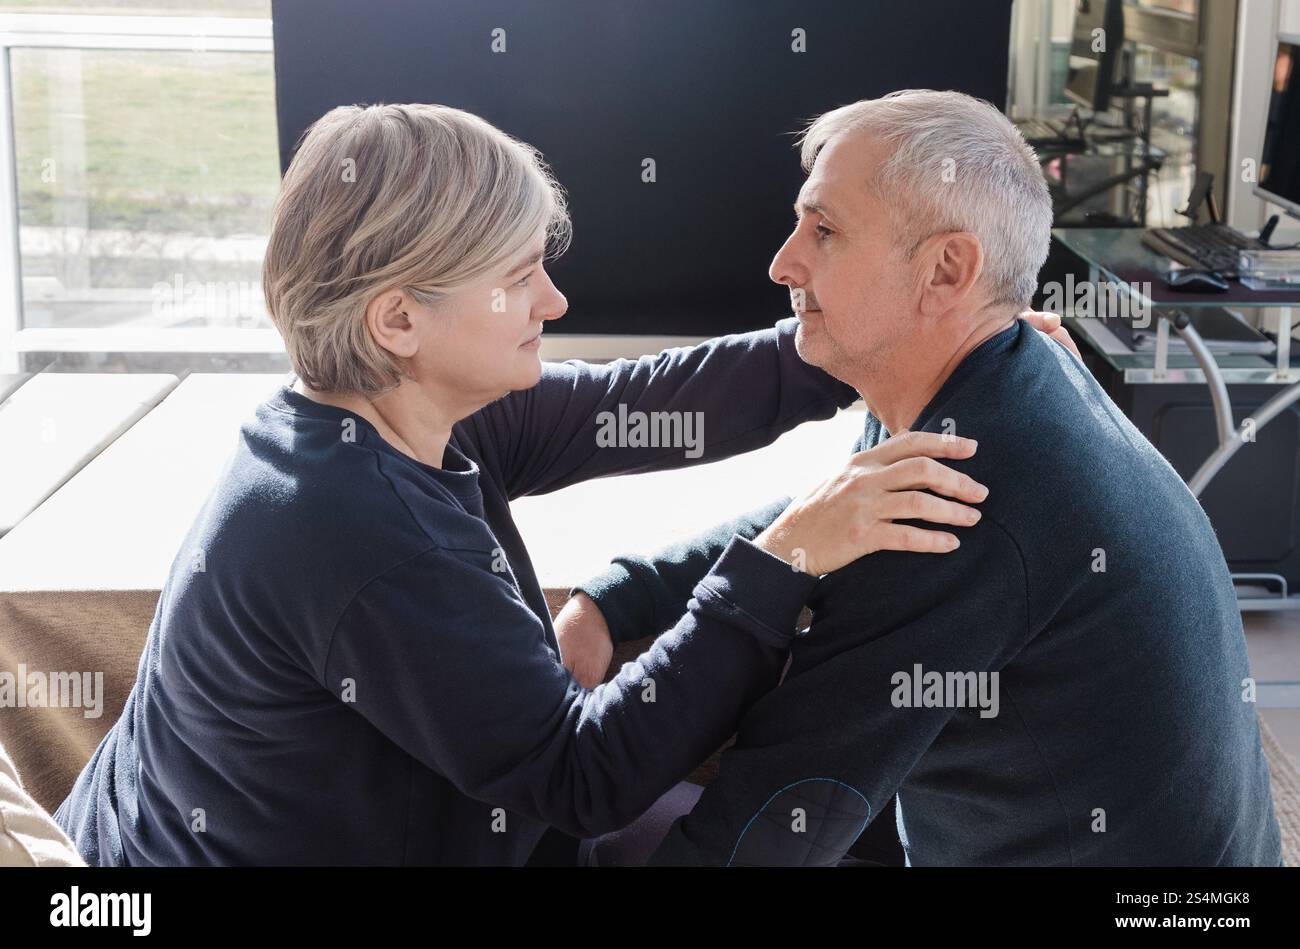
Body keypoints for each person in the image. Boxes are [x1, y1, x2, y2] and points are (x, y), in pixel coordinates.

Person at [53, 102, 1003, 865]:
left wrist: (896, 331)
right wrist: (783, 558)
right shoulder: (362, 533)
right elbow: (585, 778)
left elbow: (659, 401)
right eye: (519, 278)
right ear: (398, 320)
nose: (552, 302)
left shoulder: (398, 407)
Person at [560, 90, 1285, 866]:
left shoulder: (963, 503)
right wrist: (617, 596)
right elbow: (831, 514)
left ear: (946, 270)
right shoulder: (993, 381)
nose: (783, 262)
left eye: (825, 230)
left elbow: (777, 820)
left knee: (609, 841)